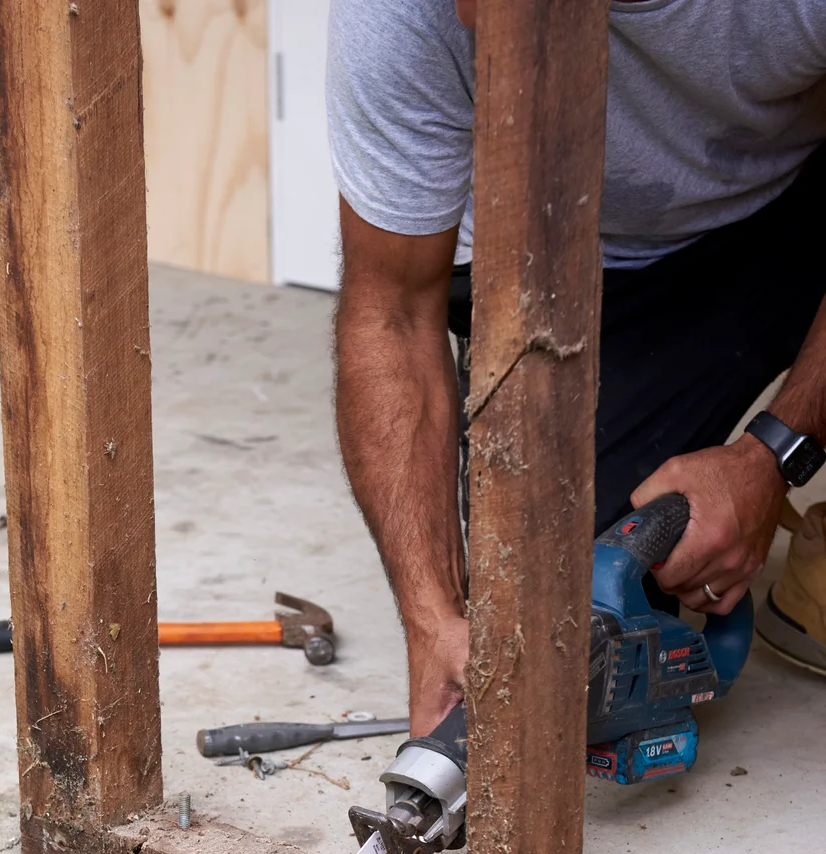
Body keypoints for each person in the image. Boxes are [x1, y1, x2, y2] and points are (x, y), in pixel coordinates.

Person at [328, 0, 826, 734]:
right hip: (576, 265)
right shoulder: (399, 14)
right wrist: (431, 617)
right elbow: (391, 312)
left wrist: (773, 456)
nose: (465, 16)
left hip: (796, 206)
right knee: (566, 626)